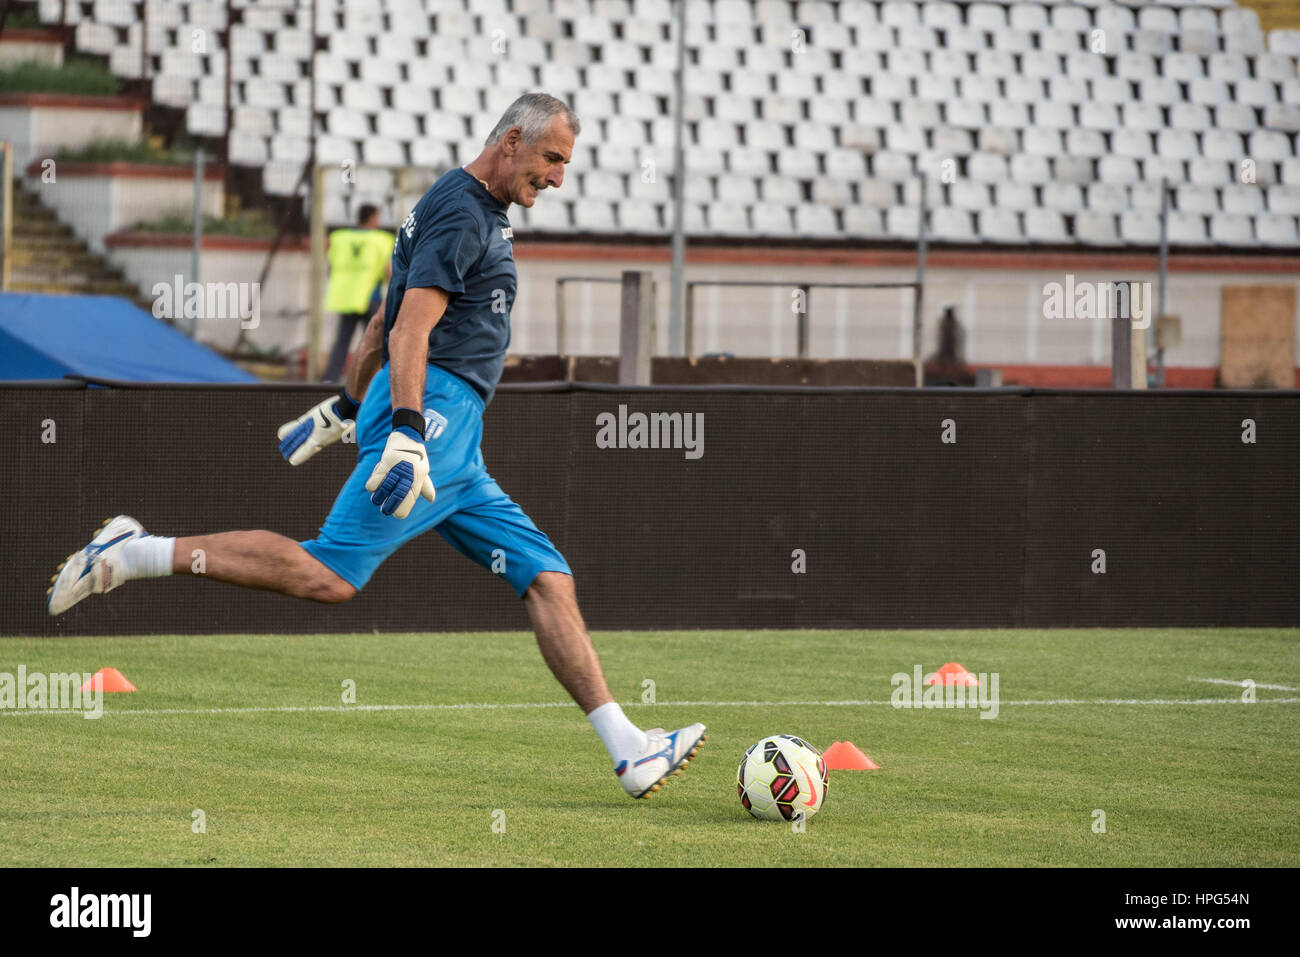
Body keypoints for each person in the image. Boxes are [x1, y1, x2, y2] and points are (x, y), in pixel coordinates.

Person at [45, 93, 705, 800]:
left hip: (447, 429)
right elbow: (410, 333)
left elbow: (380, 324)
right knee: (330, 573)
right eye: (553, 159)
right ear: (511, 140)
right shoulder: (462, 212)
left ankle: (630, 748)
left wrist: (346, 407)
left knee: (547, 574)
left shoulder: (452, 203)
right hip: (437, 413)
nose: (558, 177)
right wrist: (409, 432)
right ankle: (133, 551)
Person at [322, 204, 394, 382]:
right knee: (373, 342)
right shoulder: (381, 239)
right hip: (371, 296)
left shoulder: (341, 238)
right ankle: (368, 380)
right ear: (372, 218)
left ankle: (331, 378)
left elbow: (331, 267)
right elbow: (388, 271)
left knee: (342, 340)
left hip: (348, 297)